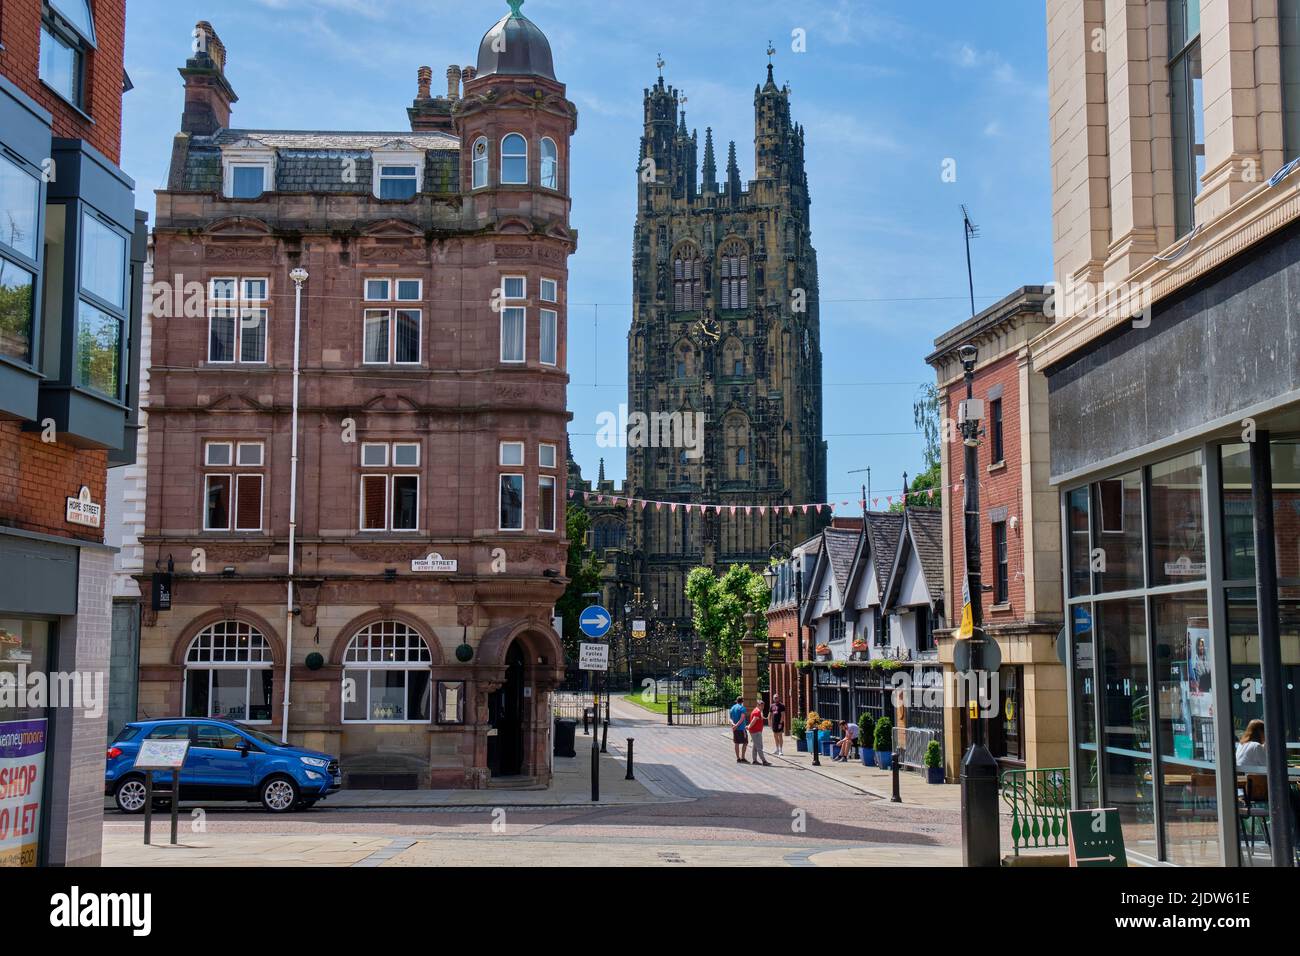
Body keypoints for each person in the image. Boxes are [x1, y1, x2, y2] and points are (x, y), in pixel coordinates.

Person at [748, 698, 771, 766]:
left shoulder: (758, 711)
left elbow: (757, 718)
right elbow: (754, 720)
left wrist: (764, 718)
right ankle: (764, 761)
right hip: (756, 732)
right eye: (761, 705)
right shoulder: (757, 712)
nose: (763, 707)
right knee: (759, 746)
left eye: (763, 705)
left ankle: (754, 760)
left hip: (756, 731)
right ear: (758, 705)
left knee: (755, 746)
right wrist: (749, 726)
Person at [729, 696, 749, 763]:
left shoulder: (732, 708)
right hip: (741, 728)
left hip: (735, 729)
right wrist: (737, 726)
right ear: (742, 701)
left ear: (736, 701)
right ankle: (743, 757)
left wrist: (733, 725)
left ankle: (738, 758)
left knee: (736, 743)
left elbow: (730, 719)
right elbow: (742, 718)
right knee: (745, 742)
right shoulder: (742, 708)